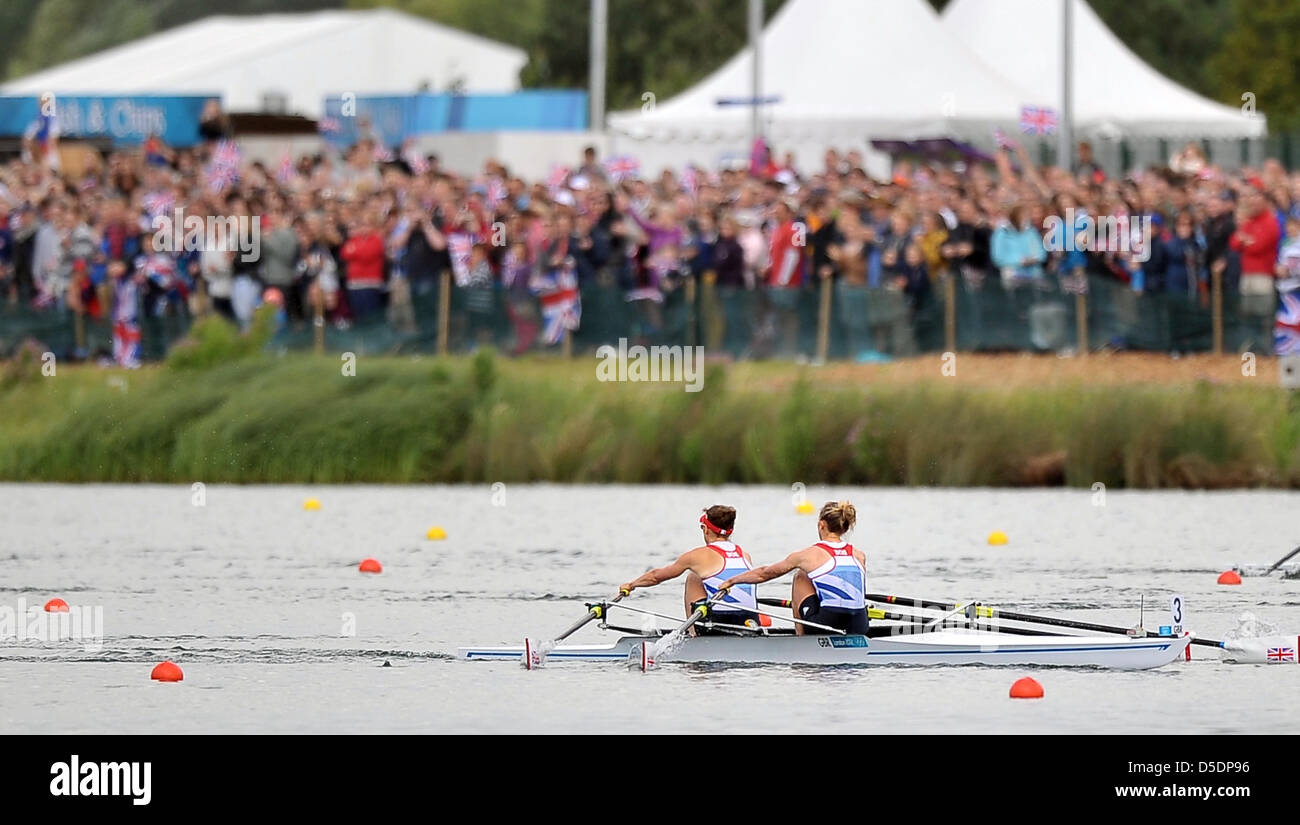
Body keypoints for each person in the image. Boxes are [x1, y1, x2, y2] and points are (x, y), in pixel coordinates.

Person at [719, 501, 867, 635]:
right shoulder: (859, 555)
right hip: (860, 624)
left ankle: (801, 640)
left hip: (827, 622)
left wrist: (732, 581)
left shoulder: (808, 555)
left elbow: (764, 574)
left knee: (801, 576)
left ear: (822, 525)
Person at [618, 506, 759, 634]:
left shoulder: (697, 556)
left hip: (719, 622)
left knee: (694, 577)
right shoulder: (745, 555)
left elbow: (656, 577)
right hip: (750, 620)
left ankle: (693, 635)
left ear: (705, 528)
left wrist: (631, 585)